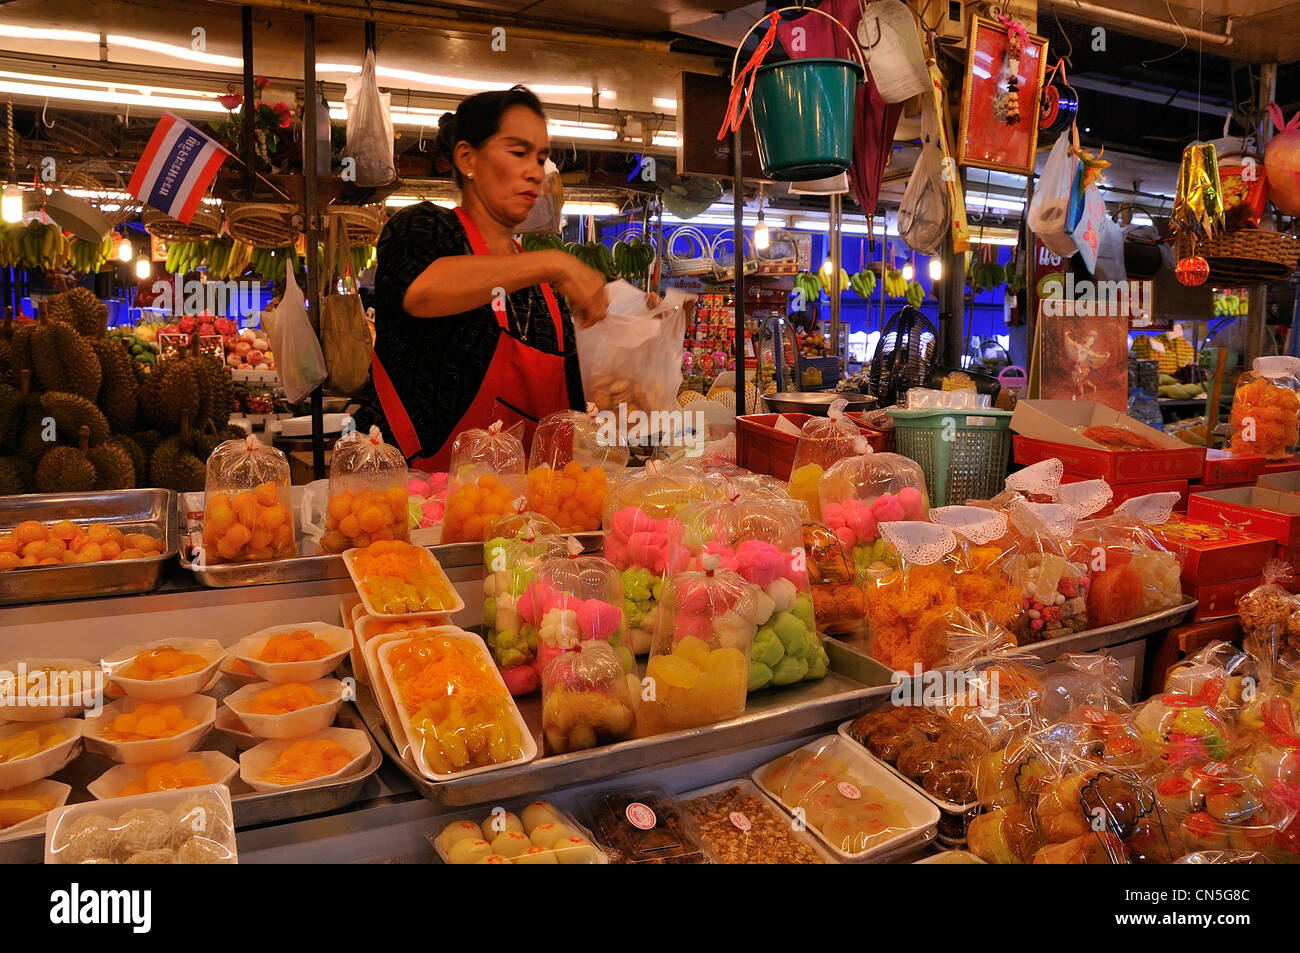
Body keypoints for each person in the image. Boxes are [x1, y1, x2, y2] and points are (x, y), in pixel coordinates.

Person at [353, 85, 608, 470]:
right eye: (519, 153)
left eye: (541, 158)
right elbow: (421, 291)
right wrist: (555, 262)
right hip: (407, 504)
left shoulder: (547, 297)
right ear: (467, 158)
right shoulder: (424, 228)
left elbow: (566, 422)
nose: (535, 173)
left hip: (517, 516)